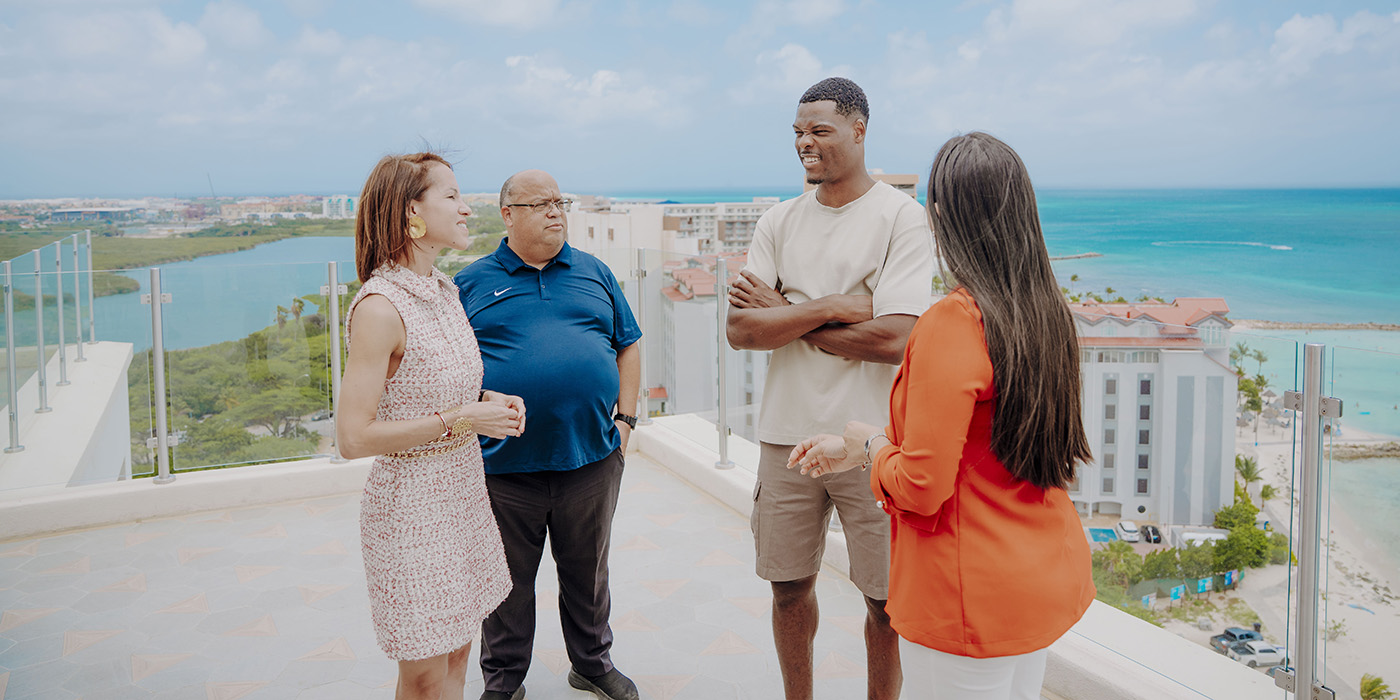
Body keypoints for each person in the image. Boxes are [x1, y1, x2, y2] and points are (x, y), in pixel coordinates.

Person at [789, 132, 1097, 700]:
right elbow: (981, 446)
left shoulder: (954, 324)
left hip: (967, 596)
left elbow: (922, 487)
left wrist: (871, 450)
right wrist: (870, 444)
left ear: (945, 219)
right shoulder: (1046, 311)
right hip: (1041, 578)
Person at [726, 77, 934, 700]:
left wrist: (789, 312)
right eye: (797, 132)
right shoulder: (779, 220)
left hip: (872, 442)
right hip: (785, 435)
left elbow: (897, 337)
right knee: (788, 588)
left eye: (819, 130)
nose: (804, 143)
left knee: (886, 602)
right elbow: (741, 329)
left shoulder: (902, 217)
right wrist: (843, 305)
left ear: (859, 129)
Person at [337, 152, 527, 700]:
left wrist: (489, 401)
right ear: (410, 212)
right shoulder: (380, 308)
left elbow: (439, 389)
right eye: (452, 196)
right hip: (411, 511)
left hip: (463, 496)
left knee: (461, 649)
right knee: (422, 676)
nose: (467, 208)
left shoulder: (444, 293)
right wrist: (466, 417)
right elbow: (353, 438)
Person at [454, 169, 643, 700]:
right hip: (503, 467)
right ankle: (504, 681)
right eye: (541, 203)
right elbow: (451, 369)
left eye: (560, 201)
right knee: (506, 584)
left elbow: (627, 343)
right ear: (508, 214)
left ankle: (591, 664)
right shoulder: (469, 282)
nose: (556, 211)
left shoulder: (594, 271)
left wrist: (627, 422)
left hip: (592, 458)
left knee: (588, 573)